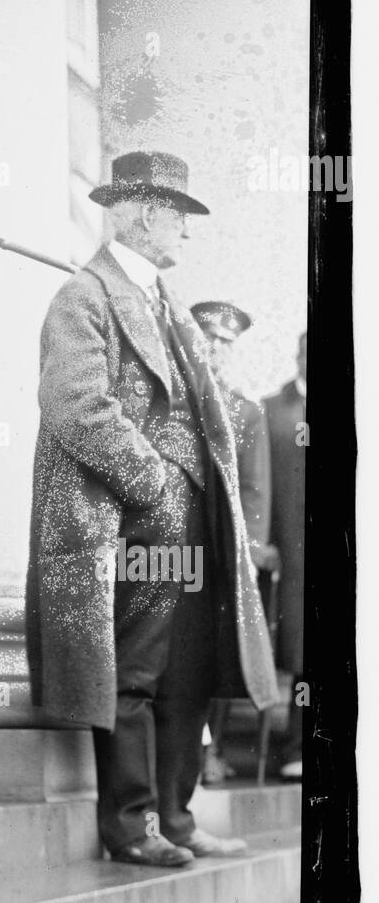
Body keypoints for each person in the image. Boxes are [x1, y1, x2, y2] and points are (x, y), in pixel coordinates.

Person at [25, 152, 279, 867]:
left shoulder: (165, 301)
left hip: (196, 524)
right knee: (134, 671)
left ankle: (175, 815)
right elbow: (74, 405)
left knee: (188, 673)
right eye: (177, 216)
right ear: (140, 213)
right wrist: (153, 483)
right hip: (132, 519)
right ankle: (129, 824)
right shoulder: (85, 296)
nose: (185, 233)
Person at [190, 301, 278, 785]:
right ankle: (184, 745)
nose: (216, 349)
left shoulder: (245, 411)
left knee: (219, 648)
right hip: (177, 549)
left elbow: (255, 488)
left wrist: (250, 546)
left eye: (226, 343)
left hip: (224, 551)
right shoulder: (176, 399)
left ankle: (211, 749)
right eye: (209, 339)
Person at [264, 331, 307, 782]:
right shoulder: (272, 411)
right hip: (289, 551)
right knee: (299, 649)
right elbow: (259, 483)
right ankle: (295, 745)